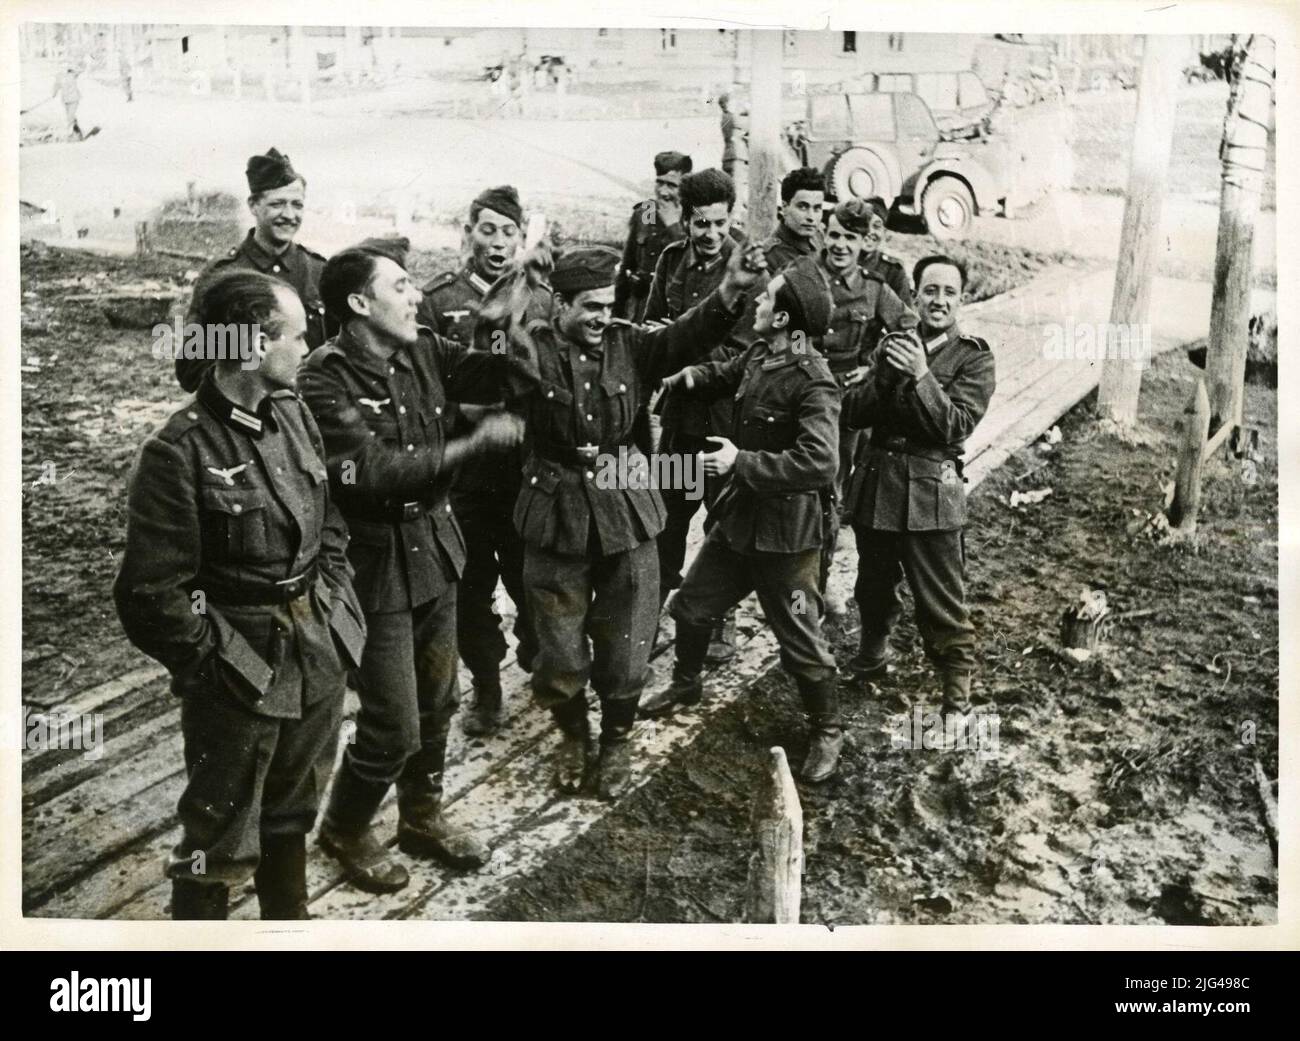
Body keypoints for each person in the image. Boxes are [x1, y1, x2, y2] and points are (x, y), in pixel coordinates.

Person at [476, 239, 766, 800]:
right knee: (556, 646)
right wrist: (515, 280)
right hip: (553, 507)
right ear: (559, 304)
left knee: (629, 633)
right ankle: (572, 735)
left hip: (625, 501)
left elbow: (688, 335)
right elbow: (488, 352)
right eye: (589, 306)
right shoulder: (531, 349)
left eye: (608, 305)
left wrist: (731, 288)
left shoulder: (629, 345)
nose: (601, 318)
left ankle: (615, 741)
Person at [114, 270, 364, 920]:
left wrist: (333, 602)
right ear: (253, 346)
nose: (309, 348)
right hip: (239, 672)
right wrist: (215, 668)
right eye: (298, 336)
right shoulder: (179, 451)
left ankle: (289, 922)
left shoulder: (292, 411)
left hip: (315, 650)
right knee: (217, 839)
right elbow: (150, 594)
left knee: (294, 809)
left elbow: (328, 519)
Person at [298, 245, 525, 894]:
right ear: (359, 304)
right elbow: (368, 470)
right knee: (393, 722)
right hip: (371, 564)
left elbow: (493, 375)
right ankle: (344, 825)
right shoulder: (324, 377)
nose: (417, 296)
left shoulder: (425, 347)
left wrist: (507, 330)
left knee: (439, 699)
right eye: (401, 287)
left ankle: (422, 815)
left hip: (433, 545)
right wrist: (471, 443)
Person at [637, 258, 845, 783]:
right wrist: (686, 375)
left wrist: (741, 463)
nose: (756, 302)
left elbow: (820, 462)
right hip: (737, 524)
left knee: (800, 637)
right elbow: (724, 375)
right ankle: (686, 684)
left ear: (783, 320)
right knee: (690, 606)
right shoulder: (761, 354)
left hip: (787, 540)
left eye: (767, 297)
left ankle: (828, 729)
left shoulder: (814, 383)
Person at [417, 186, 547, 736]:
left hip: (523, 471)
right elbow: (420, 386)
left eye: (508, 232)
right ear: (467, 232)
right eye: (486, 230)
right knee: (470, 589)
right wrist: (461, 411)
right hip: (464, 474)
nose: (496, 242)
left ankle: (536, 655)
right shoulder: (437, 299)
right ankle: (487, 689)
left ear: (522, 239)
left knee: (533, 579)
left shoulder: (539, 299)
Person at [840, 254, 996, 714]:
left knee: (941, 598)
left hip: (931, 491)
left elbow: (955, 427)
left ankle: (956, 696)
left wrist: (921, 376)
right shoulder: (893, 345)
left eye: (949, 293)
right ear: (914, 295)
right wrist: (885, 374)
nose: (939, 301)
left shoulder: (974, 356)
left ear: (962, 301)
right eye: (930, 291)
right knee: (872, 584)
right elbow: (854, 412)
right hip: (879, 485)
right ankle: (871, 658)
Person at [646, 167, 749, 664]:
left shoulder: (749, 269)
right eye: (702, 224)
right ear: (686, 221)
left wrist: (683, 356)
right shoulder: (670, 261)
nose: (711, 235)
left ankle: (718, 619)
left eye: (720, 224)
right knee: (665, 518)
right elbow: (651, 331)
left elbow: (745, 352)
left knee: (721, 522)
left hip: (726, 422)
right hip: (680, 420)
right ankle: (646, 618)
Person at [814, 199, 919, 613]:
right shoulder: (805, 275)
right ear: (825, 235)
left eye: (850, 238)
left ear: (863, 244)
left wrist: (873, 368)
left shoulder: (874, 288)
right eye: (834, 235)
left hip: (843, 408)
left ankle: (816, 586)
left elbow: (909, 328)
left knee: (828, 493)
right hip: (796, 395)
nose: (840, 245)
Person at [176, 148, 333, 392]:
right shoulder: (221, 275)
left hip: (308, 413)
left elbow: (337, 356)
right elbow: (191, 366)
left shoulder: (319, 272)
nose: (289, 215)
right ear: (253, 205)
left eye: (297, 205)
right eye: (277, 204)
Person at [615, 151, 691, 322]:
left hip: (672, 313)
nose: (663, 192)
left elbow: (691, 260)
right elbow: (627, 264)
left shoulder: (695, 217)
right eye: (659, 183)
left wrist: (673, 226)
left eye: (671, 185)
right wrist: (616, 313)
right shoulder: (647, 211)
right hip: (640, 309)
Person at [762, 167, 826, 272]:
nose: (811, 217)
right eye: (803, 207)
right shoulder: (768, 256)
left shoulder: (819, 236)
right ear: (784, 207)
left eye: (817, 208)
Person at [859, 197, 914, 307]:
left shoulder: (893, 271)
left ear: (884, 233)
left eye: (877, 227)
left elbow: (906, 317)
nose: (870, 232)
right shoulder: (841, 261)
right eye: (865, 225)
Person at [718, 91, 749, 181]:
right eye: (735, 102)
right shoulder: (731, 118)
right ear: (728, 104)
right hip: (735, 158)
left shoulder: (726, 117)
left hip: (730, 157)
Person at [51, 64, 83, 140]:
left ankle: (70, 134)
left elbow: (79, 71)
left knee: (70, 117)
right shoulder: (60, 77)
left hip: (74, 99)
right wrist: (54, 94)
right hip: (66, 100)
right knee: (70, 117)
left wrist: (75, 69)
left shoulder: (73, 75)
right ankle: (78, 134)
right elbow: (56, 85)